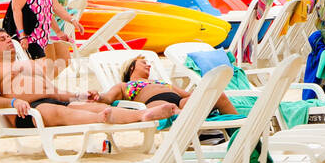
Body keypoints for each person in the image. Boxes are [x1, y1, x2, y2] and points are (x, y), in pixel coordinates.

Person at [0, 28, 176, 127]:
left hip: (51, 101)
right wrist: (14, 101)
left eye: (9, 37)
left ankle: (143, 116)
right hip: (26, 112)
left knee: (95, 106)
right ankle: (99, 119)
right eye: (2, 39)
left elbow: (55, 92)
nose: (9, 41)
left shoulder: (29, 65)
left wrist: (80, 95)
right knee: (58, 112)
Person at [99, 56, 237, 115]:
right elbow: (108, 98)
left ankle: (237, 134)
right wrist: (97, 97)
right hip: (155, 103)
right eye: (143, 63)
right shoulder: (125, 85)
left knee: (218, 96)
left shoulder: (160, 82)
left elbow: (188, 95)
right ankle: (188, 135)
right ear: (131, 67)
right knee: (171, 109)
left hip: (181, 102)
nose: (148, 65)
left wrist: (207, 91)